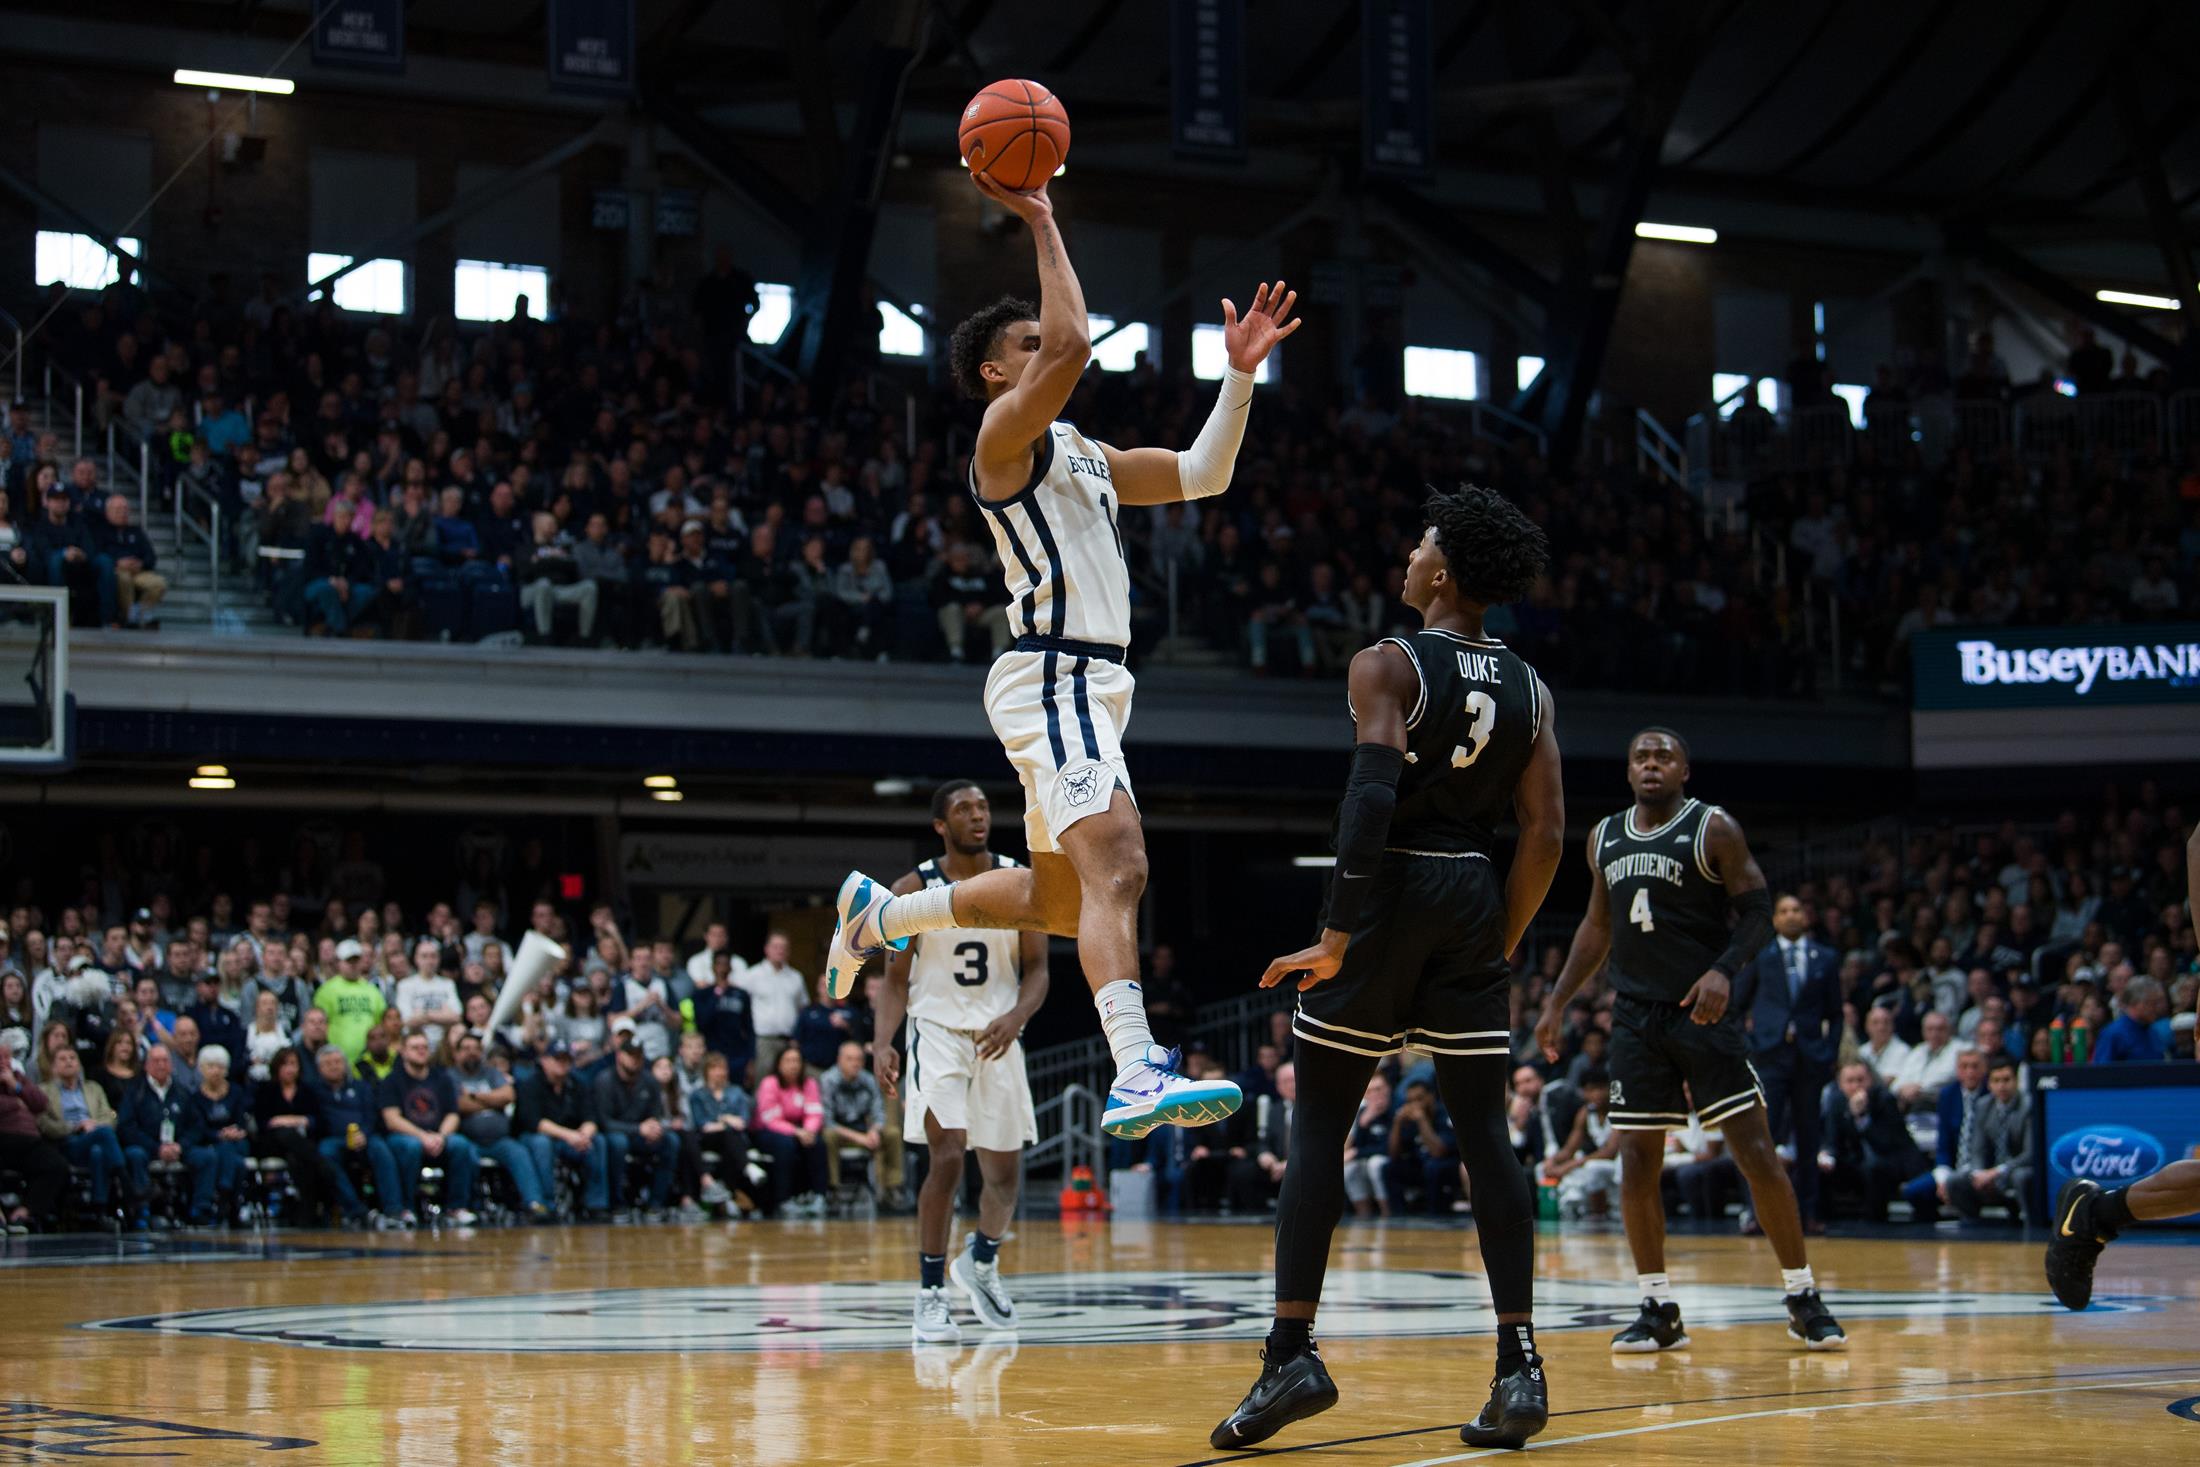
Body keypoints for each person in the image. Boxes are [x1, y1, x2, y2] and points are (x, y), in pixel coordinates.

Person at [827, 169, 1299, 1145]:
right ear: (997, 373)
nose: (1048, 347)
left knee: (1052, 897)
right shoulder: (1001, 438)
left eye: (1042, 338)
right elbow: (1078, 340)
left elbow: (1204, 473)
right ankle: (1133, 1067)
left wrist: (1239, 375)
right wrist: (1041, 217)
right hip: (1055, 674)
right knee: (1118, 863)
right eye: (1026, 344)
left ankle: (883, 917)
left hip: (1088, 684)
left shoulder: (1083, 451)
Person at [1215, 485, 1563, 1452]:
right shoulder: (1532, 687)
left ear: (1442, 571)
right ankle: (1519, 1366)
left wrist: (1336, 932)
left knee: (1320, 1120)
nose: (1407, 555)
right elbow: (1546, 833)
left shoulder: (1387, 662)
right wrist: (1497, 936)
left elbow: (1370, 799)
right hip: (1471, 896)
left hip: (1392, 888)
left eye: (1420, 544)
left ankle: (1291, 1351)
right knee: (1487, 1137)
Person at [1540, 727, 1846, 1357]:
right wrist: (1557, 1000)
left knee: (1756, 1152)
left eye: (1664, 757)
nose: (1652, 765)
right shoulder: (1604, 836)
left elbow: (1759, 913)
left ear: (1685, 769)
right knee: (1637, 1163)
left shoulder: (1714, 829)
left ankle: (1802, 1295)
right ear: (1628, 772)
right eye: (1641, 758)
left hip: (1702, 1015)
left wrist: (1723, 972)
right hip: (1635, 1017)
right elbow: (1597, 928)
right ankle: (1657, 1306)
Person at [873, 779, 1049, 1341]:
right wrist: (884, 1041)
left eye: (983, 807)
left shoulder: (1020, 881)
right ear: (940, 826)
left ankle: (981, 1261)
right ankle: (930, 1292)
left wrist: (1016, 1016)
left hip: (998, 1035)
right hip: (938, 1033)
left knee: (1003, 1176)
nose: (977, 816)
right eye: (963, 810)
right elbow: (894, 982)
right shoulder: (911, 889)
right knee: (946, 1156)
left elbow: (1039, 970)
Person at [1735, 893, 1841, 1229]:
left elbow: (1836, 1014)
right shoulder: (1761, 956)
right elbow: (1736, 1006)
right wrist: (1750, 1046)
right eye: (1784, 911)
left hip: (1809, 1057)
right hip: (1770, 1056)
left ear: (1805, 916)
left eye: (1797, 909)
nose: (1791, 915)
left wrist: (1829, 1051)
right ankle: (1756, 1212)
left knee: (1809, 1138)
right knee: (1760, 1137)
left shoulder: (1825, 957)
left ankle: (1808, 1212)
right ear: (1775, 919)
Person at [377, 1030, 479, 1226]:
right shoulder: (392, 1080)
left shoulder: (442, 1078)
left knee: (461, 1145)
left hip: (437, 1135)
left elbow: (452, 1114)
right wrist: (422, 1136)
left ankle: (456, 1208)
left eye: (424, 1047)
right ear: (404, 1052)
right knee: (410, 1148)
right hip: (405, 1136)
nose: (421, 1051)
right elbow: (392, 1119)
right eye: (415, 1048)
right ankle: (405, 1209)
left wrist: (440, 1136)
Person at [451, 1029, 550, 1223]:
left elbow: (508, 1096)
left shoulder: (491, 1072)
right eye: (466, 1048)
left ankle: (535, 1203)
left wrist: (474, 1096)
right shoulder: (450, 1076)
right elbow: (458, 1104)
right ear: (456, 1053)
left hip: (499, 1140)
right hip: (468, 1139)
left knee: (518, 1151)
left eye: (476, 1048)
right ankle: (471, 1207)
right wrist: (492, 1100)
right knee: (463, 1153)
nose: (471, 1052)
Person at [38, 1043, 140, 1220]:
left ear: (79, 1064)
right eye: (63, 1059)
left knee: (98, 1152)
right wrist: (75, 1126)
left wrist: (93, 1124)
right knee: (104, 1135)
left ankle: (99, 1210)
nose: (69, 1062)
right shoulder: (44, 1091)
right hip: (67, 1142)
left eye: (72, 1058)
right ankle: (126, 1184)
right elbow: (44, 1123)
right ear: (54, 1066)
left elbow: (110, 1116)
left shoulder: (94, 1088)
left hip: (95, 1138)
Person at [116, 1043, 212, 1227]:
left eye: (165, 1061)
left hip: (177, 1147)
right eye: (156, 1061)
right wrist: (156, 1148)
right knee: (134, 1155)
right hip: (148, 1147)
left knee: (207, 1157)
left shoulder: (182, 1092)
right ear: (147, 1065)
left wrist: (181, 1145)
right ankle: (141, 1210)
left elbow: (197, 1125)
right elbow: (127, 1127)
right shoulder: (135, 1091)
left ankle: (200, 1209)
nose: (161, 1065)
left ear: (171, 1065)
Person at [309, 1041, 403, 1228]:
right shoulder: (314, 1091)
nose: (334, 1066)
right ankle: (356, 1210)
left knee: (381, 1149)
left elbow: (372, 1115)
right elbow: (316, 1120)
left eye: (337, 1062)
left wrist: (364, 1134)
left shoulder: (361, 1087)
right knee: (325, 1152)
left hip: (364, 1135)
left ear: (345, 1064)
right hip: (333, 1138)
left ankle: (394, 1210)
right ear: (319, 1068)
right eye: (328, 1063)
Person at [1815, 1060, 1923, 1223]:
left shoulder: (1884, 1099)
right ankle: (1823, 1222)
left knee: (1873, 1169)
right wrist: (1826, 1154)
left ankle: (1875, 1223)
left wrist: (1861, 1117)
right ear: (1840, 1084)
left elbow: (1886, 1143)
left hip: (1890, 1161)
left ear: (1870, 1080)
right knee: (1819, 1168)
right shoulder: (1836, 1101)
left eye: (1860, 1080)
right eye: (1850, 1081)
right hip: (1855, 1161)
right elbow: (1832, 1139)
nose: (1856, 1086)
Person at [514, 1040, 611, 1221]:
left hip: (571, 1139)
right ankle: (547, 1205)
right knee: (541, 1143)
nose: (562, 1063)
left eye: (566, 1059)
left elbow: (592, 1117)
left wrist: (585, 1134)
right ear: (544, 1061)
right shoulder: (530, 1084)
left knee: (598, 1141)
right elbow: (534, 1122)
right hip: (538, 1138)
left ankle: (596, 1204)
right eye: (557, 1059)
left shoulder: (578, 1084)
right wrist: (570, 1135)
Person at [252, 1046, 342, 1224]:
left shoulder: (307, 1090)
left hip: (301, 1145)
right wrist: (292, 1121)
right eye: (285, 1064)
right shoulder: (266, 1090)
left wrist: (293, 1120)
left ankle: (307, 1211)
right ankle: (322, 1163)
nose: (289, 1068)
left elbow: (319, 1122)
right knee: (286, 1134)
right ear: (277, 1067)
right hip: (271, 1142)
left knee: (297, 1159)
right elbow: (262, 1123)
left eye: (293, 1064)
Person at [595, 1029, 676, 1218]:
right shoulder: (605, 1081)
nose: (635, 1060)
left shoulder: (649, 1081)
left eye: (638, 1056)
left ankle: (656, 1203)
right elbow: (604, 1122)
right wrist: (638, 1128)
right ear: (619, 1056)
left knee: (670, 1140)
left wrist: (654, 1128)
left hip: (641, 1136)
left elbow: (655, 1115)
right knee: (617, 1142)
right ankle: (617, 1203)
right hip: (615, 1135)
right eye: (630, 1055)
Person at [1943, 1054, 2031, 1223]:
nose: (2002, 1086)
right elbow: (1977, 1149)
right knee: (1955, 1181)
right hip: (1991, 1173)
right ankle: (1972, 1225)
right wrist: (1979, 1173)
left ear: (2016, 1081)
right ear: (1989, 1084)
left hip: (2015, 1169)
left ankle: (2030, 1224)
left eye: (2006, 1080)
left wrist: (1996, 1172)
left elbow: (2030, 1154)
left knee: (2022, 1176)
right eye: (1996, 1081)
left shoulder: (2027, 1106)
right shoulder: (1984, 1105)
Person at [0, 1040, 68, 1232]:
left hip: (28, 1140)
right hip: (2, 1138)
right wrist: (17, 1103)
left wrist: (16, 1087)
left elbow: (40, 1103)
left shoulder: (18, 1078)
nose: (4, 1062)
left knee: (56, 1165)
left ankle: (24, 1213)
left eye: (7, 1057)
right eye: (0, 1057)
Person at [754, 1043, 828, 1217]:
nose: (793, 1065)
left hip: (799, 1131)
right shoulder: (769, 1084)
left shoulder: (809, 1083)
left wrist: (809, 1132)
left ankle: (818, 1196)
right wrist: (797, 1132)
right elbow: (771, 1119)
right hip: (768, 1131)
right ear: (779, 1064)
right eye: (788, 1060)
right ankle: (783, 1199)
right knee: (785, 1145)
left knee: (817, 1143)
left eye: (796, 1061)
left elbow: (814, 1113)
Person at [686, 1050, 753, 1218]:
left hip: (732, 1139)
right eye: (715, 1068)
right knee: (727, 1135)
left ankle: (725, 1193)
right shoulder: (698, 1095)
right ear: (706, 1071)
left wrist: (721, 1122)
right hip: (710, 1139)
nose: (719, 1072)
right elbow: (703, 1125)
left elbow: (743, 1122)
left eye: (722, 1068)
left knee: (731, 1138)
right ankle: (746, 1170)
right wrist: (726, 1118)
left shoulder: (736, 1092)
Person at [188, 1046, 251, 1225]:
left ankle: (223, 1194)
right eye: (211, 1066)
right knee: (235, 1162)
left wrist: (235, 1131)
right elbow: (198, 1128)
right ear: (201, 1069)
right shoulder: (195, 1098)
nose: (216, 1071)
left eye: (220, 1066)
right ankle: (232, 1203)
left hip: (236, 1142)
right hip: (212, 1142)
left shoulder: (236, 1092)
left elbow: (243, 1120)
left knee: (229, 1150)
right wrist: (219, 1134)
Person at [312, 938, 385, 1063]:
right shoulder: (326, 991)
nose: (353, 965)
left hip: (369, 1060)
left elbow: (380, 1024)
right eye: (348, 961)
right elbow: (319, 1026)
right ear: (338, 963)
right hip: (336, 1060)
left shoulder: (373, 991)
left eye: (356, 960)